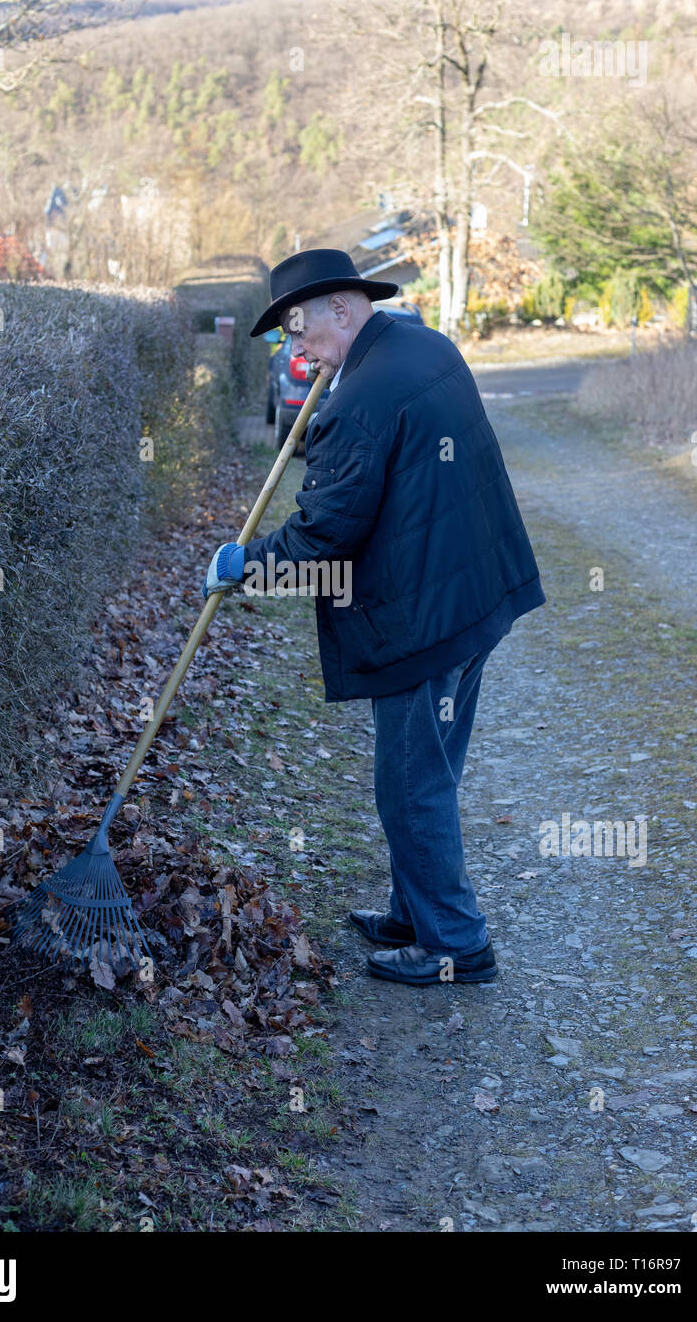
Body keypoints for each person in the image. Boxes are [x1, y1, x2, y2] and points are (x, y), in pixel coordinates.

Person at [204, 249, 546, 986]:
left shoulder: (361, 398)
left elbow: (325, 535)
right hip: (475, 592)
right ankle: (413, 912)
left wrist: (244, 564)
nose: (296, 350)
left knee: (410, 780)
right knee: (433, 766)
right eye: (288, 339)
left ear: (342, 308)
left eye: (299, 332)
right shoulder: (421, 345)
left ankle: (456, 943)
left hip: (424, 616)